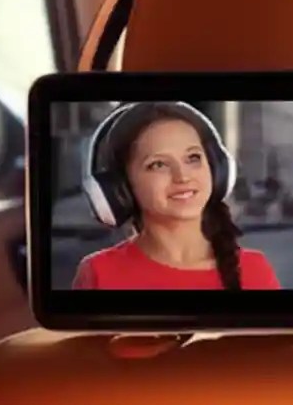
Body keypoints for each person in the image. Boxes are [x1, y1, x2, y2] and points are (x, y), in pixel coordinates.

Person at [72, 102, 280, 289]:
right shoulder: (98, 272)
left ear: (217, 170)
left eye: (193, 158)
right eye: (158, 164)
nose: (182, 177)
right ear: (121, 186)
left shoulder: (255, 270)